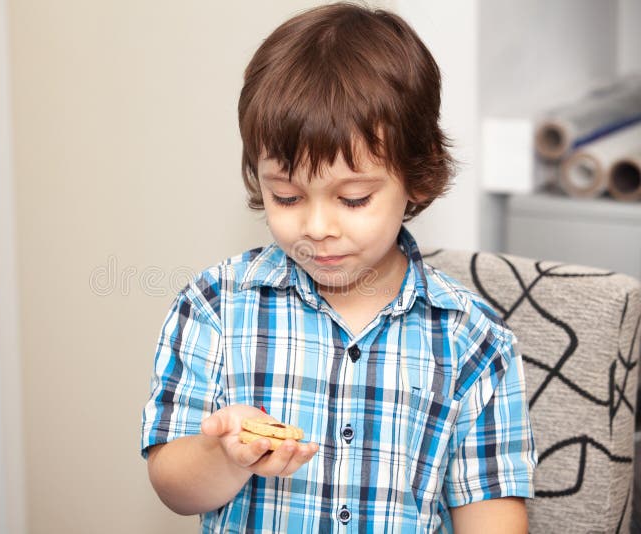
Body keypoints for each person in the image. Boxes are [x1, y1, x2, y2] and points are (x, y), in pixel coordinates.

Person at [140, 3, 536, 532]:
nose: (317, 226)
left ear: (418, 175)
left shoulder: (473, 340)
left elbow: (492, 515)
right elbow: (172, 487)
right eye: (287, 197)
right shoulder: (215, 304)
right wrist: (224, 455)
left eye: (352, 199)